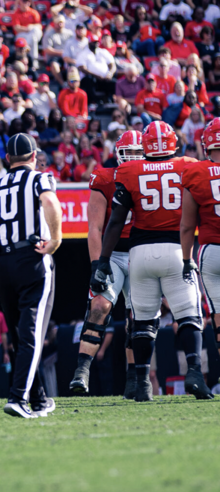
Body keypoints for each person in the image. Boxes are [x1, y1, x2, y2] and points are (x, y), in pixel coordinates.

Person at [91, 121, 213, 401]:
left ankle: (142, 381)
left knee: (144, 321)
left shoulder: (130, 171)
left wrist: (103, 260)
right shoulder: (189, 165)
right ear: (173, 143)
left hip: (140, 254)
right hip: (174, 248)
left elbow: (116, 221)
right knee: (188, 316)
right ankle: (194, 371)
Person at [0, 133, 61, 418]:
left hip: (1, 264)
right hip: (32, 257)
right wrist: (56, 240)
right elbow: (50, 203)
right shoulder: (40, 179)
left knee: (18, 335)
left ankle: (38, 399)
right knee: (32, 334)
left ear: (7, 160)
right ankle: (18, 398)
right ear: (35, 157)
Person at [70, 131, 141, 397]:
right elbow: (94, 228)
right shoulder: (105, 178)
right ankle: (82, 371)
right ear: (119, 153)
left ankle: (135, 377)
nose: (133, 157)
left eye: (138, 152)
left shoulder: (151, 178)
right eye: (129, 152)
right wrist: (96, 265)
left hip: (141, 252)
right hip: (111, 255)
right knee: (99, 306)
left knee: (138, 318)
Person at [180, 117, 220, 392]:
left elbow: (186, 226)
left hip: (211, 250)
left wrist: (186, 259)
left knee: (218, 314)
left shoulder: (196, 173)